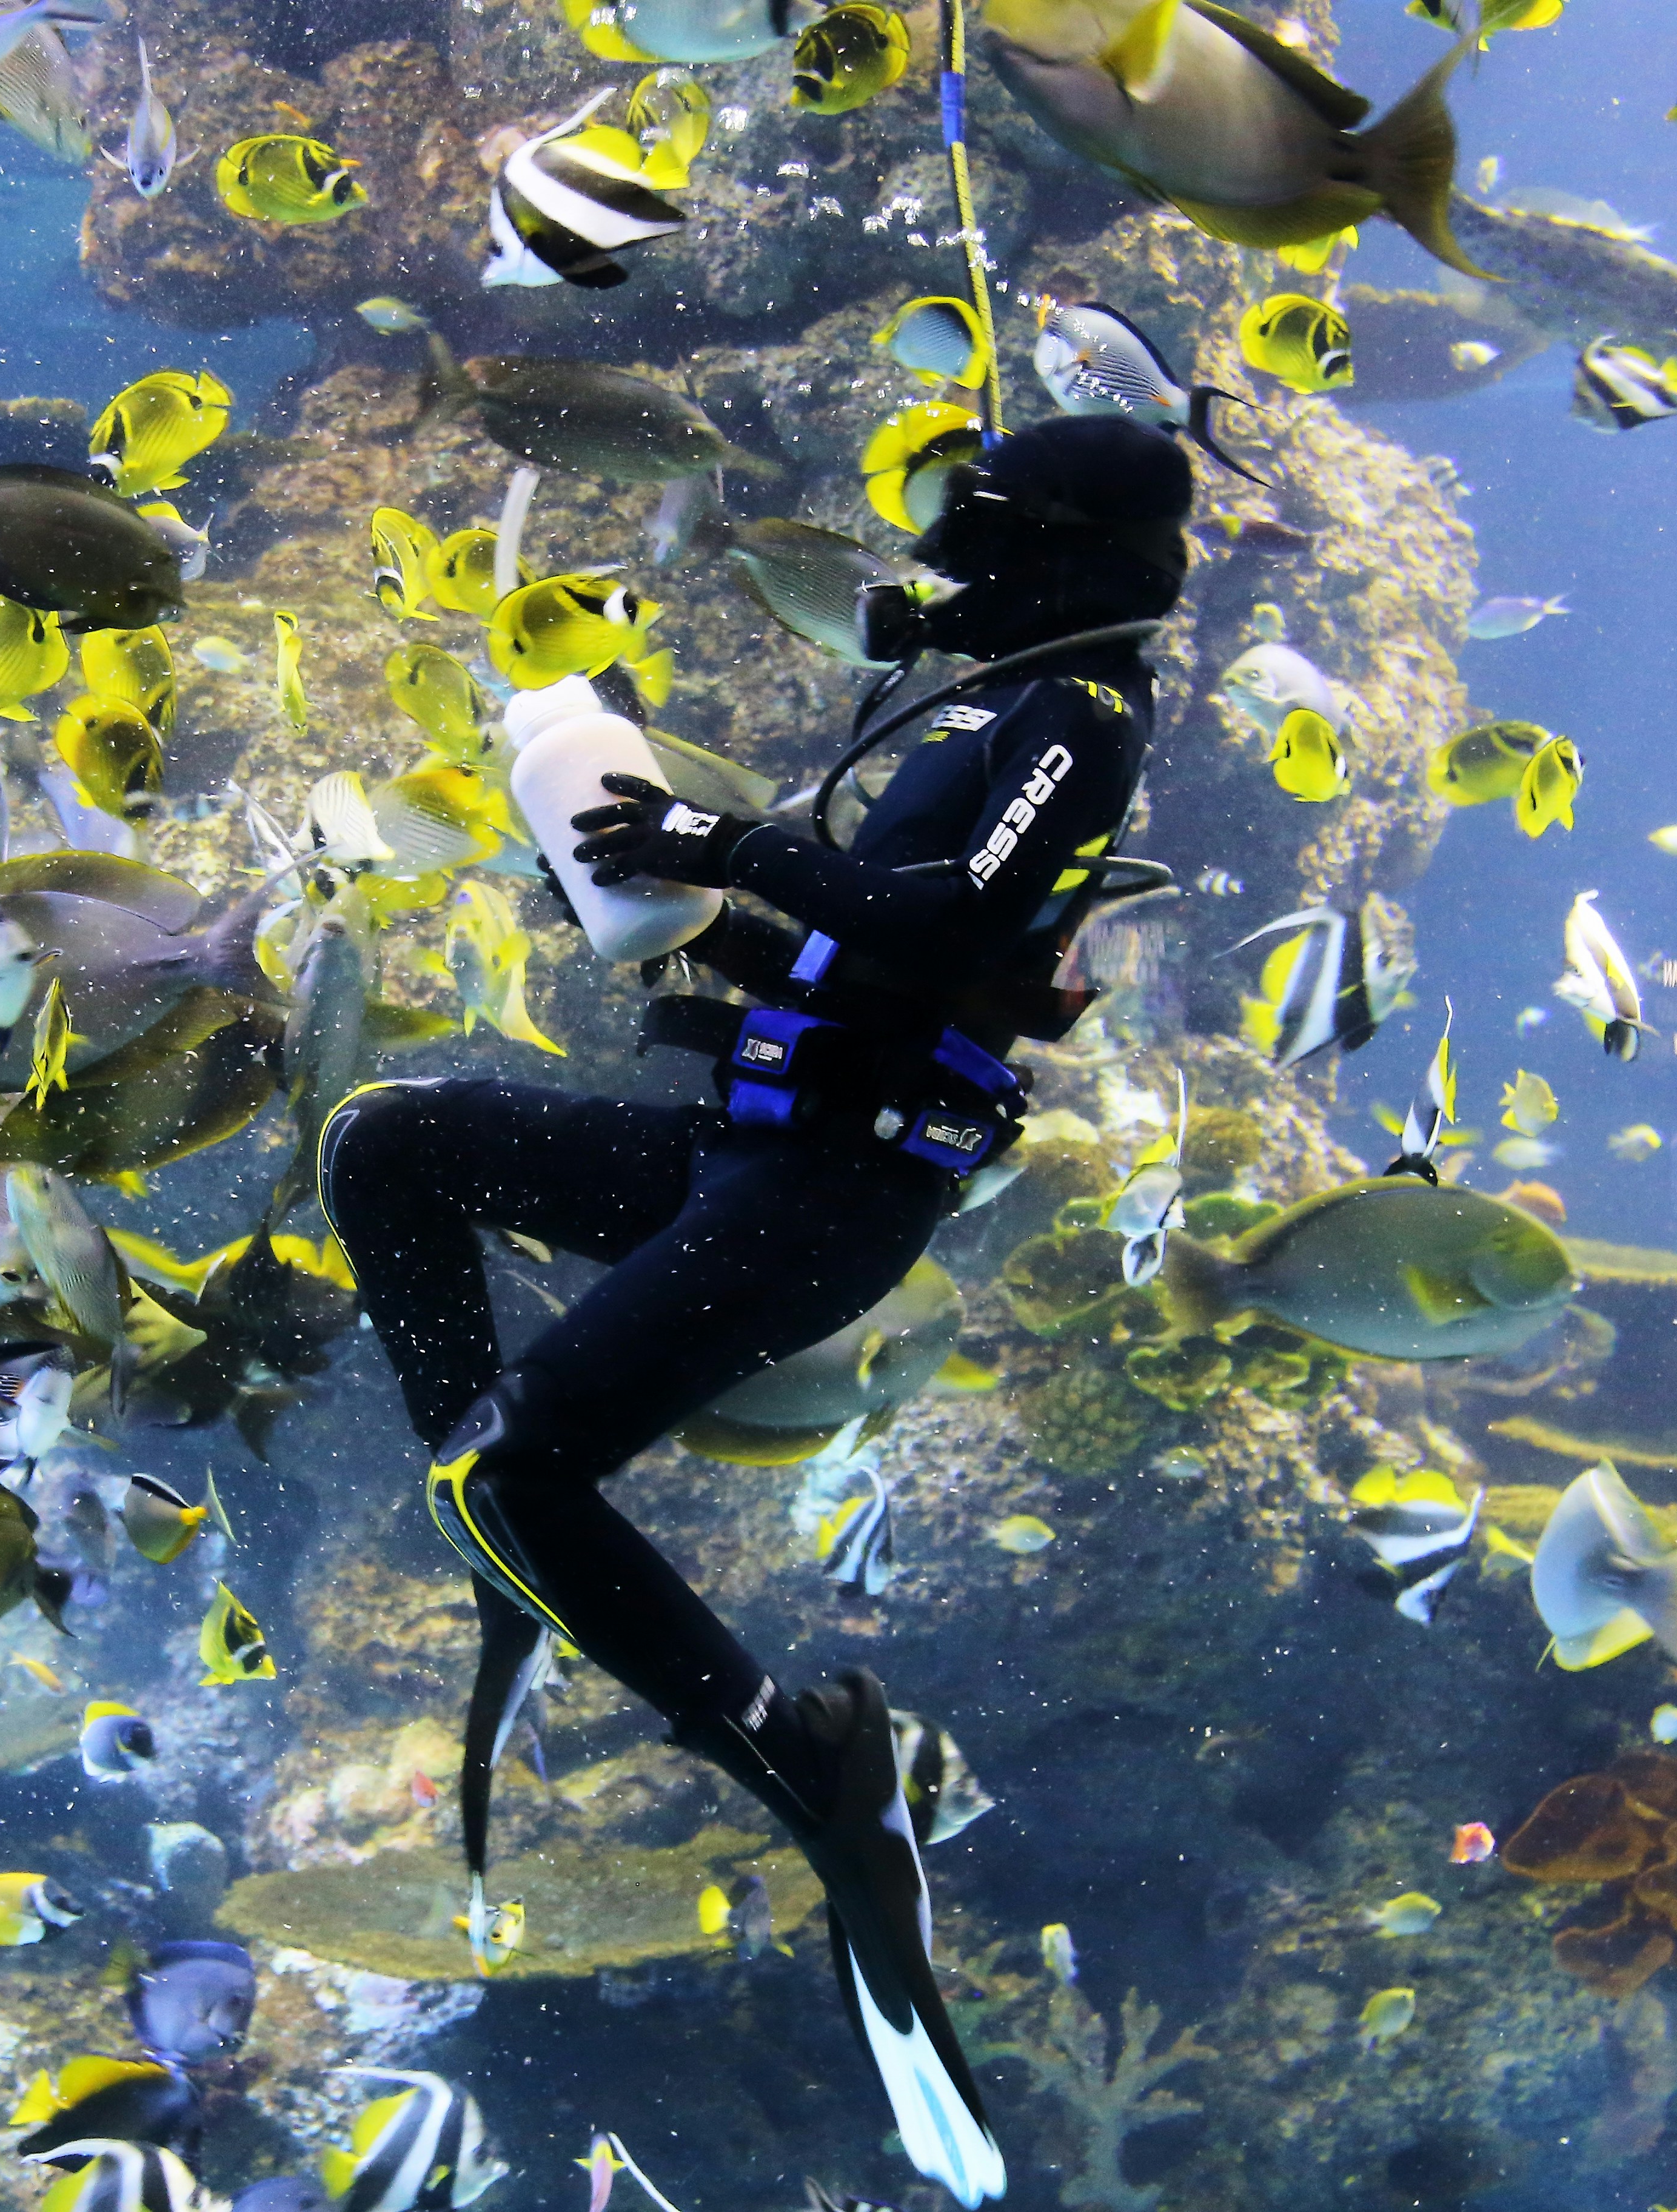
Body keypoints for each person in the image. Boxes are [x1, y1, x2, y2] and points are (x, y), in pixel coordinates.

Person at [316, 414, 1197, 2204]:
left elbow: (948, 920)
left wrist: (729, 837)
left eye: (981, 526)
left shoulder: (1082, 718)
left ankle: (817, 1778)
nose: (945, 556)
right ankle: (499, 1528)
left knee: (521, 1478)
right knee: (388, 1141)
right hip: (748, 1144)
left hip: (836, 1191)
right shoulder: (985, 711)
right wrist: (673, 903)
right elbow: (852, 958)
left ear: (1057, 550)